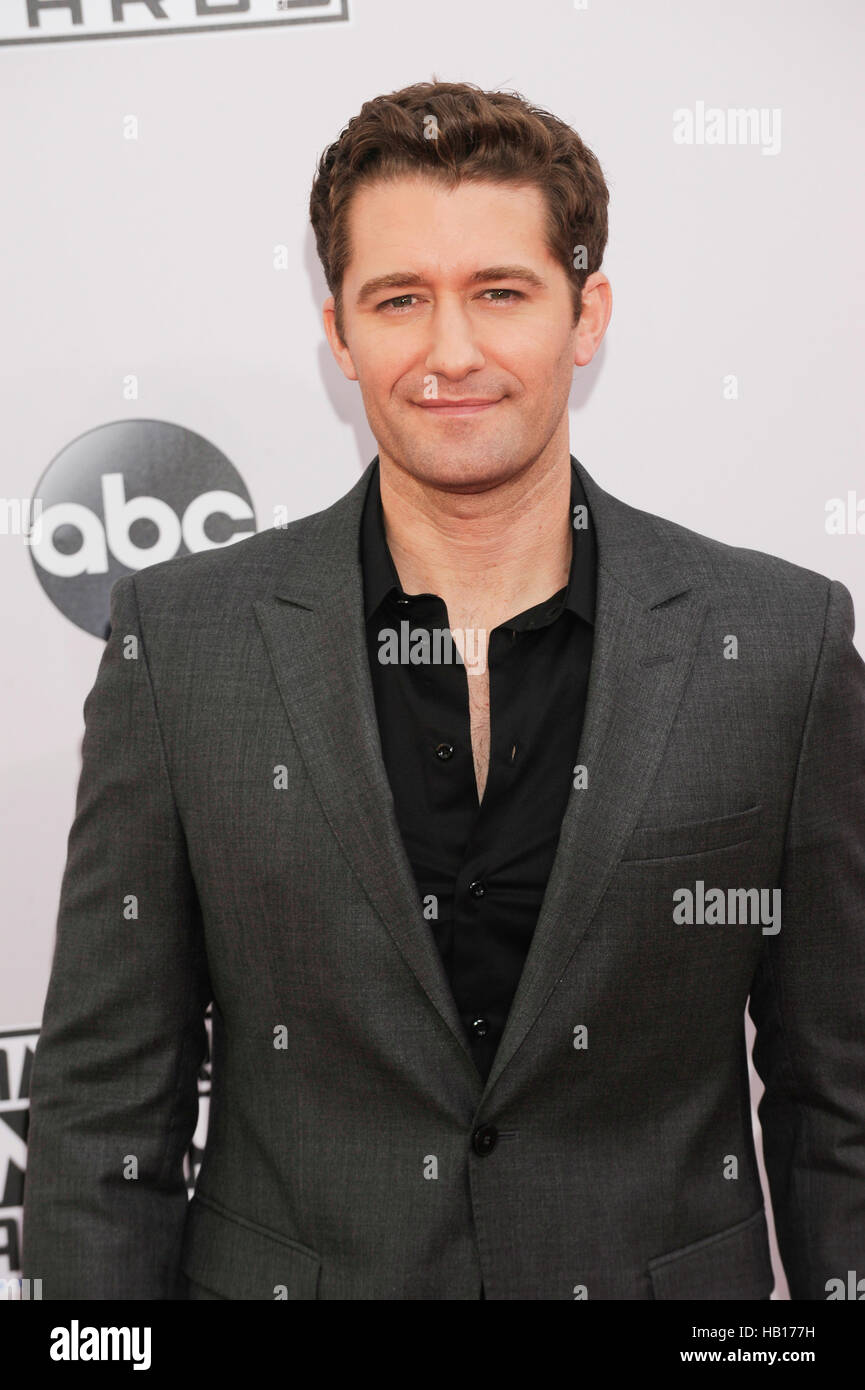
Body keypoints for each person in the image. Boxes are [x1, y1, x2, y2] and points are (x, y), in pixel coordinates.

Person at [22, 80, 865, 1301]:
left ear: (588, 316)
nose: (451, 350)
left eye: (501, 293)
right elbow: (104, 1102)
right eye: (400, 299)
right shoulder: (185, 642)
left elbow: (840, 1095)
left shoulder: (779, 642)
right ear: (340, 332)